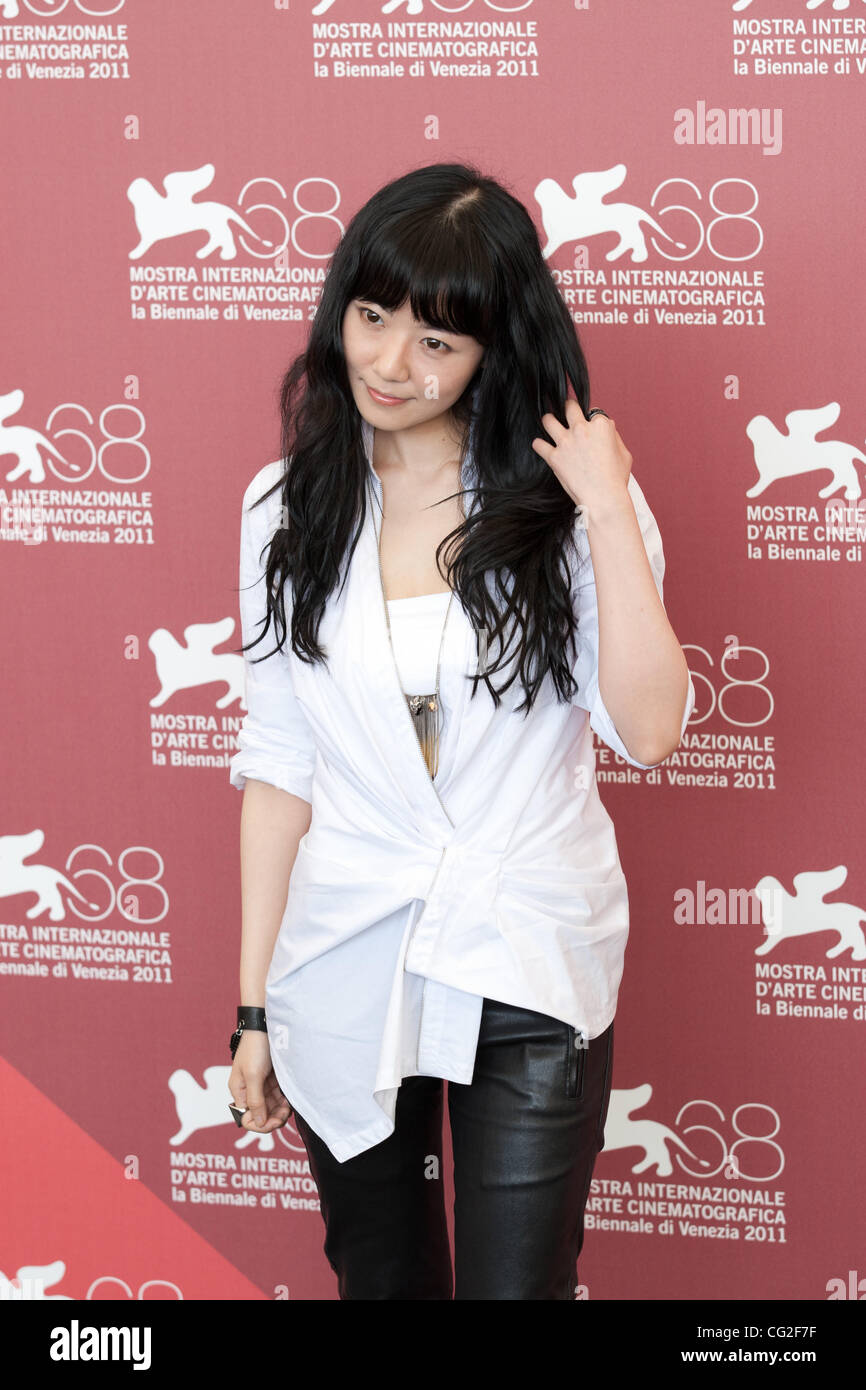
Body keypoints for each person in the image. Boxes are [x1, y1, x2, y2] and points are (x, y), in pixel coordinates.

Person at [227, 162, 695, 1300]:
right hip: (348, 949)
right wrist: (250, 1008)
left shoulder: (564, 511)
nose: (392, 363)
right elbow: (280, 760)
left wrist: (602, 505)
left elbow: (649, 728)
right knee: (379, 1280)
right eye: (373, 317)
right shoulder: (283, 508)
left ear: (495, 349)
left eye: (437, 340)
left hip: (525, 951)